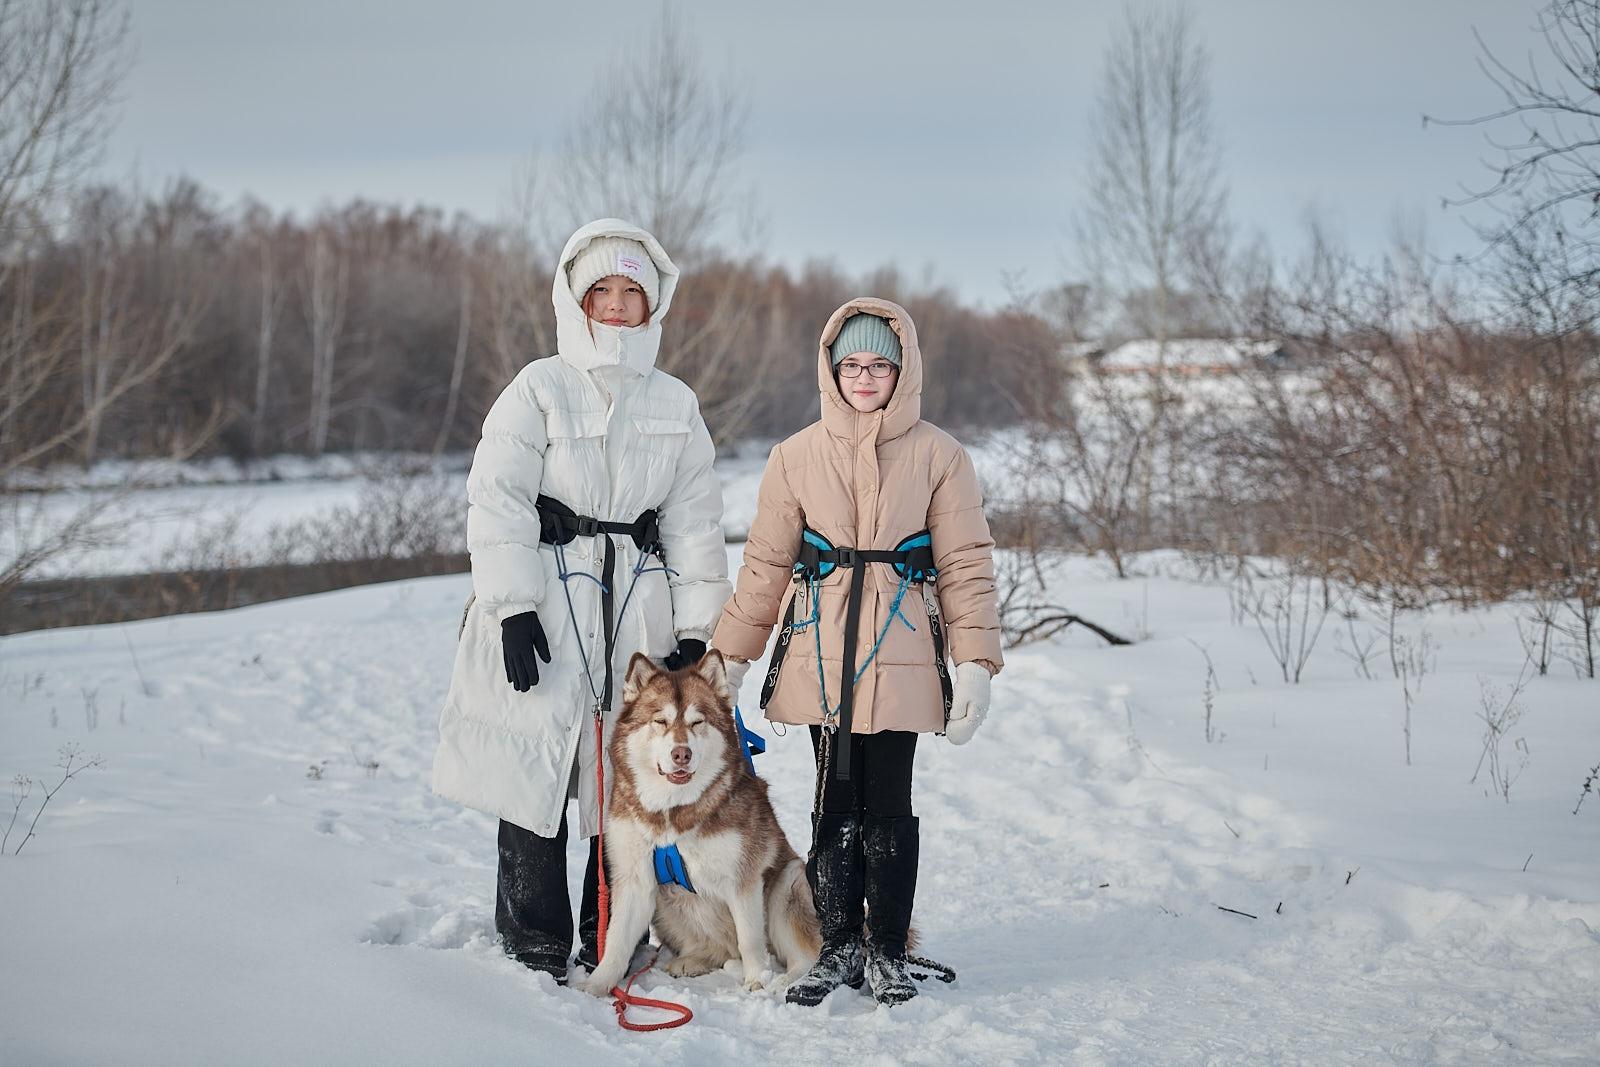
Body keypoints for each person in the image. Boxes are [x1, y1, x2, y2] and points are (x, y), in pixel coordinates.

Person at [433, 218, 730, 983]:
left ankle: (614, 933)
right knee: (535, 770)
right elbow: (495, 493)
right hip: (551, 595)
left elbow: (696, 516)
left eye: (633, 291)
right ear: (577, 297)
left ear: (652, 304)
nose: (618, 305)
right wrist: (511, 604)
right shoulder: (538, 386)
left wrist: (697, 629)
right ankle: (531, 938)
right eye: (603, 289)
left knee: (621, 778)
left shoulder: (676, 401)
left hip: (636, 604)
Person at [710, 298, 1002, 1007]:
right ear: (831, 371)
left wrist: (974, 661)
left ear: (902, 371)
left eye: (878, 364)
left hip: (901, 651)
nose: (864, 376)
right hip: (819, 650)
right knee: (832, 800)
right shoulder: (796, 456)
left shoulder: (939, 454)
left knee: (888, 802)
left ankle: (888, 950)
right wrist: (732, 656)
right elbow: (766, 564)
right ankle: (838, 946)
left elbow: (965, 561)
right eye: (852, 365)